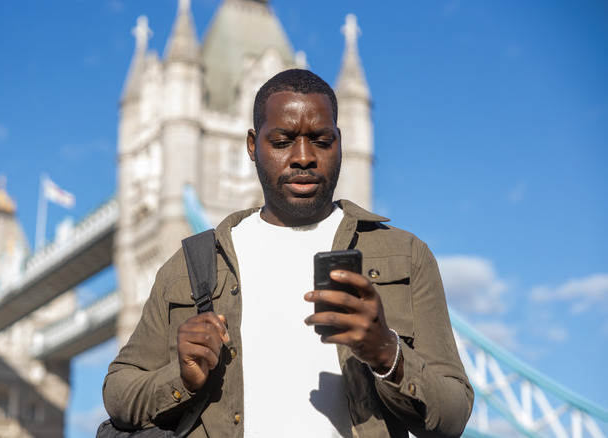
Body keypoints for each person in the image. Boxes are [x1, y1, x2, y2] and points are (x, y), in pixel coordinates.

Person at [103, 69, 474, 437]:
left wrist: (387, 354)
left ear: (341, 143)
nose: (303, 157)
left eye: (321, 140)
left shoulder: (406, 256)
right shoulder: (191, 264)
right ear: (252, 145)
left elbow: (454, 414)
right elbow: (118, 393)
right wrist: (181, 377)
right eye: (282, 141)